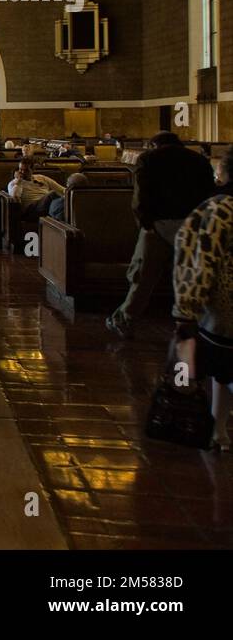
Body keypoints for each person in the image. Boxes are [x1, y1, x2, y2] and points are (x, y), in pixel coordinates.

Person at [107, 131, 216, 339]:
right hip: (192, 227)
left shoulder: (148, 159)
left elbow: (141, 196)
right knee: (192, 276)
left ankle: (125, 319)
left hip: (157, 227)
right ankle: (195, 325)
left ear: (153, 144)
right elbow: (208, 194)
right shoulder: (199, 161)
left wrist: (145, 223)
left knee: (142, 276)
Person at [172, 194, 233, 450]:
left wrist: (186, 309)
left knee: (223, 367)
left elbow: (200, 263)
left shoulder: (220, 209)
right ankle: (218, 431)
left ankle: (217, 431)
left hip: (224, 307)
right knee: (224, 370)